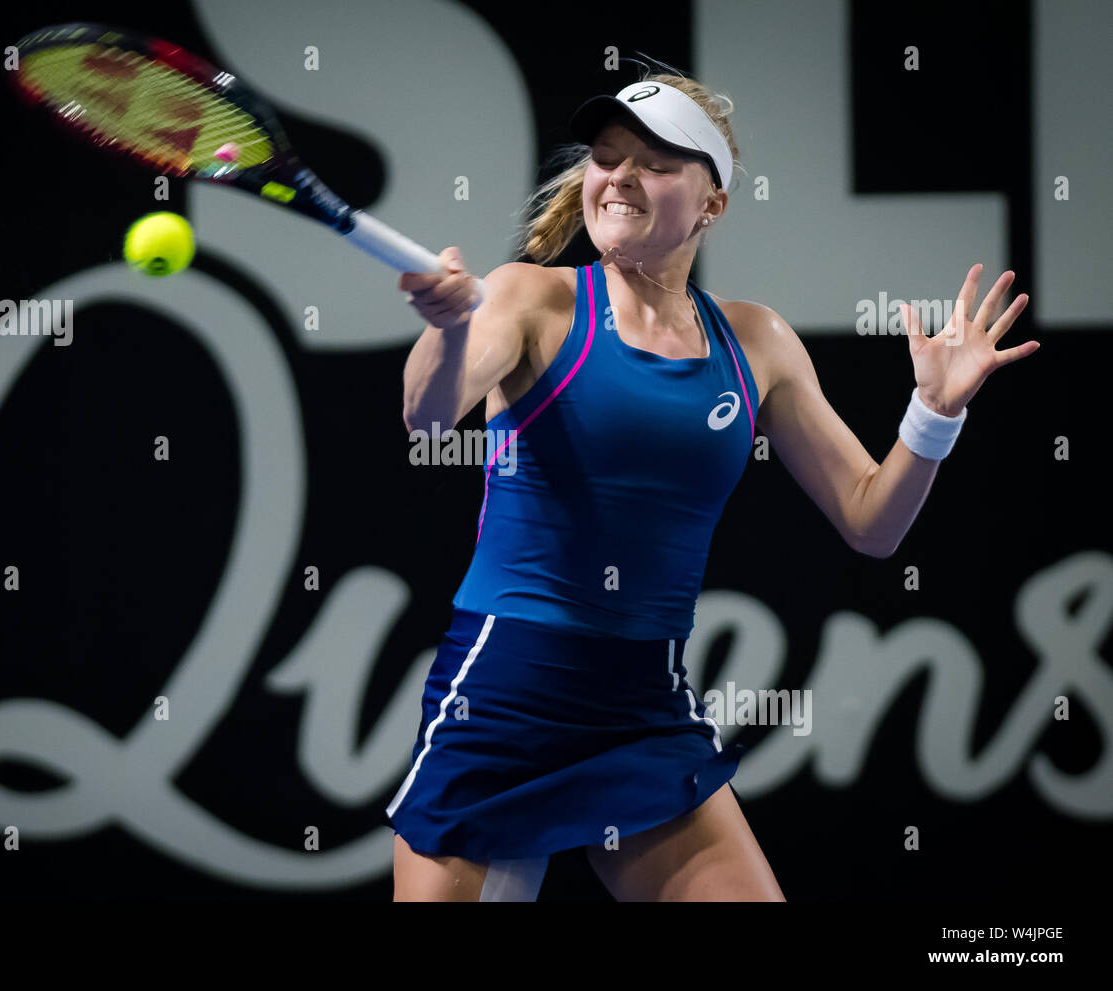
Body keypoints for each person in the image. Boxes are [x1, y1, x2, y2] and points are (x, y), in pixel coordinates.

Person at [384, 73, 1036, 902]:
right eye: (606, 157)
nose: (617, 175)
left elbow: (872, 520)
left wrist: (934, 412)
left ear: (712, 205)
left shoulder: (755, 340)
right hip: (504, 694)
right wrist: (447, 333)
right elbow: (428, 417)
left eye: (653, 162)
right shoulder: (529, 296)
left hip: (644, 706)